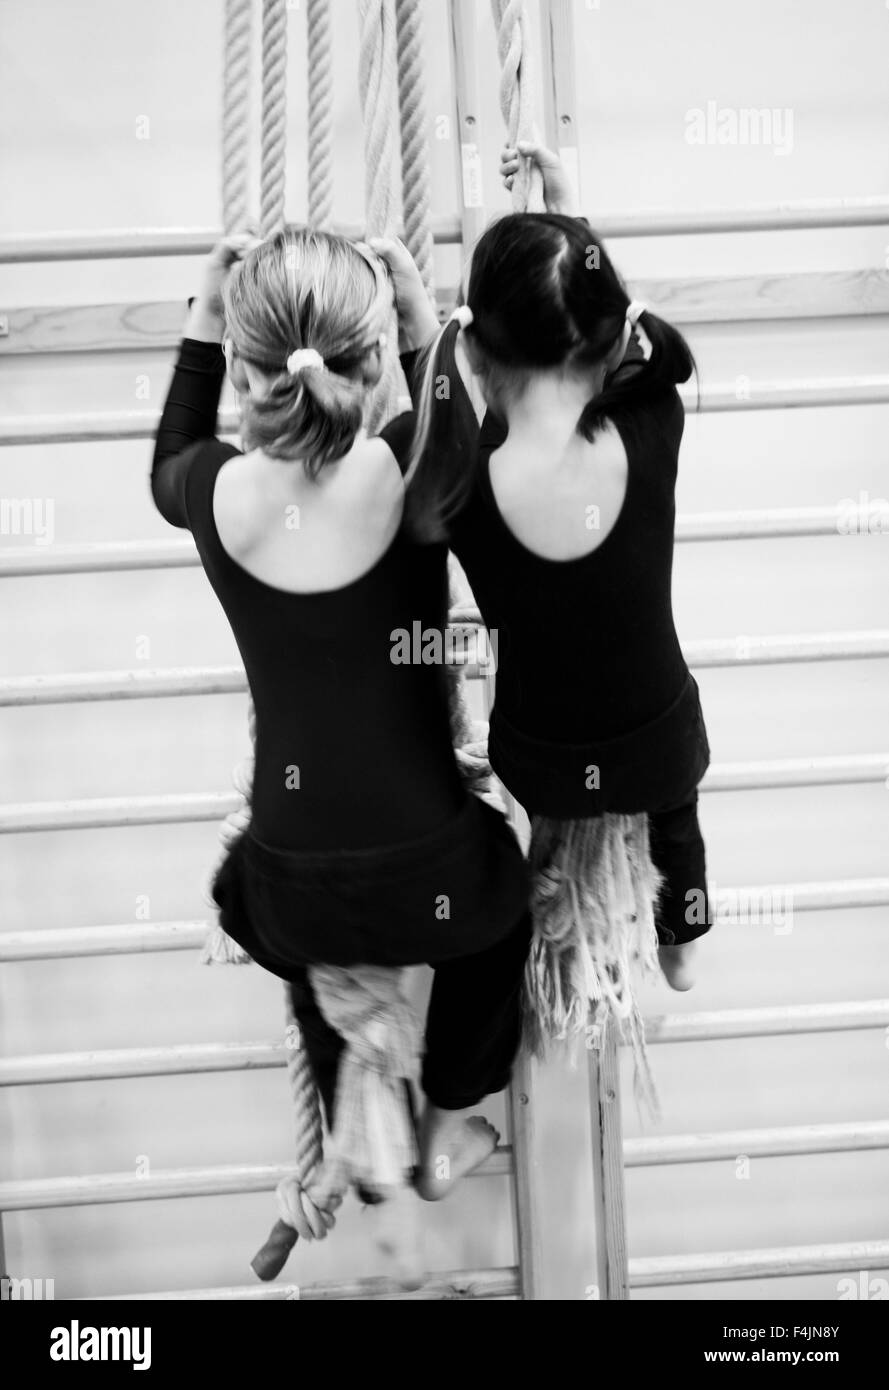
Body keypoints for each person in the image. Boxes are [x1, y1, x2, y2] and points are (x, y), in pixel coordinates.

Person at [150, 229, 532, 1238]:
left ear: (242, 372)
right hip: (437, 882)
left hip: (287, 892)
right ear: (371, 367)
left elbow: (169, 454)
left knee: (310, 925)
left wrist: (202, 316)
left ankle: (350, 1129)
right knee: (500, 917)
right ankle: (444, 1121)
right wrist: (418, 317)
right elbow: (458, 426)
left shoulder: (213, 493)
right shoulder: (413, 474)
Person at [377, 141, 711, 1048]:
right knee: (675, 812)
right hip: (657, 733)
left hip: (541, 754)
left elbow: (436, 409)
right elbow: (636, 340)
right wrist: (576, 224)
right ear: (604, 337)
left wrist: (418, 313)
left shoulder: (458, 476)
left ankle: (551, 907)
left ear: (476, 345)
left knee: (549, 832)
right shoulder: (654, 427)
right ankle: (683, 938)